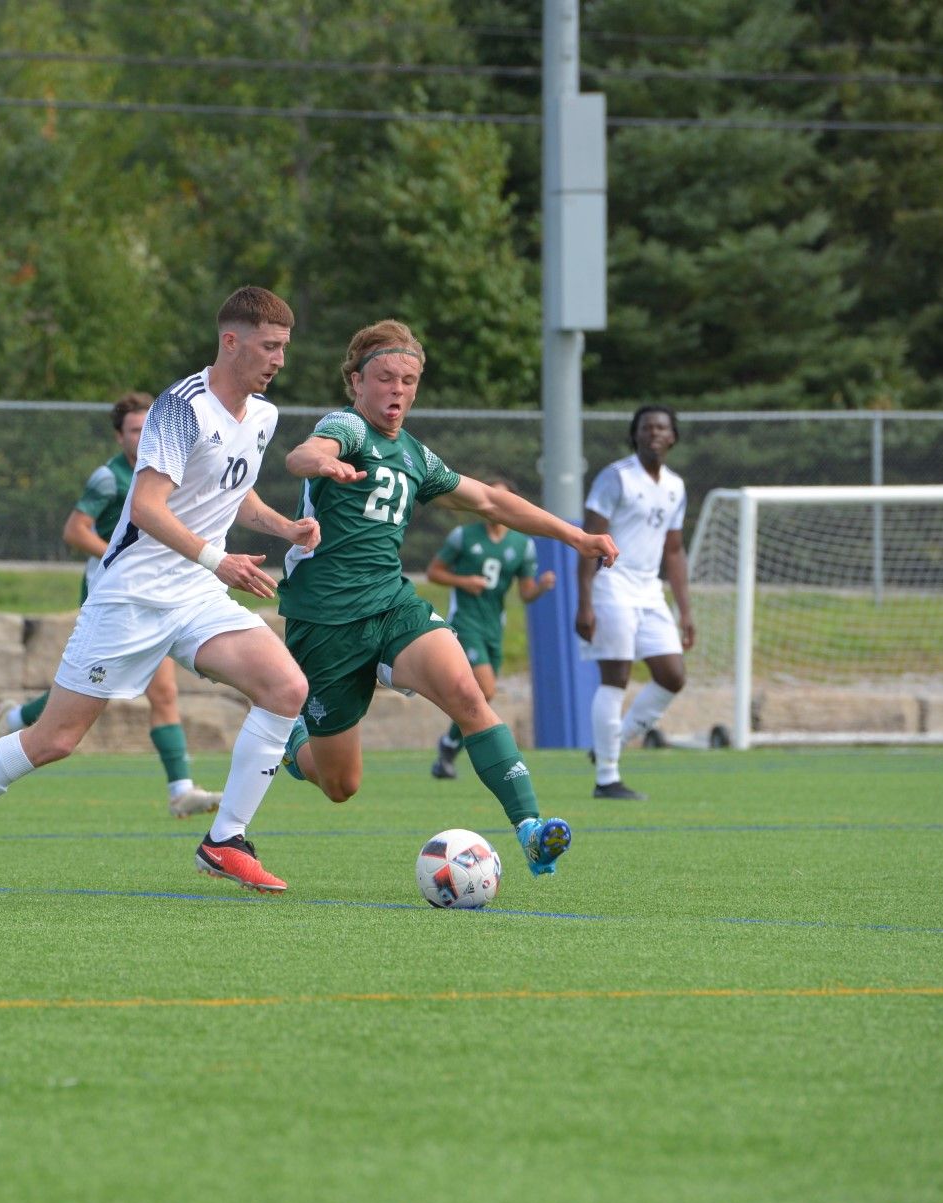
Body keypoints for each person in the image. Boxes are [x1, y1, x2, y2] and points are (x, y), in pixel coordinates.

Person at [0, 286, 318, 905]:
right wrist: (219, 560)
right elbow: (147, 508)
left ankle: (226, 839)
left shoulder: (263, 416)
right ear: (231, 342)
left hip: (195, 594)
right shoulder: (181, 408)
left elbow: (232, 491)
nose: (279, 360)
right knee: (53, 741)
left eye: (283, 348)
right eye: (270, 347)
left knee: (287, 688)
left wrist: (283, 528)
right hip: (133, 596)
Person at [277, 320, 618, 876]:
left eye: (408, 380)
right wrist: (320, 460)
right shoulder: (347, 427)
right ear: (356, 381)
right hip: (325, 622)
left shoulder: (416, 456)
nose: (397, 390)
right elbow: (303, 454)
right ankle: (295, 745)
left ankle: (531, 830)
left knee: (467, 693)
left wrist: (576, 537)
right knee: (340, 784)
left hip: (392, 606)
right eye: (385, 377)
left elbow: (491, 502)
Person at [0, 391, 222, 820]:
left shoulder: (174, 470)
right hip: (111, 595)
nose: (142, 436)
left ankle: (181, 790)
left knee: (162, 691)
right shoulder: (109, 478)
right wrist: (118, 554)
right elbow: (75, 530)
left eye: (148, 428)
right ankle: (18, 718)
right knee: (91, 690)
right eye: (133, 430)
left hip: (158, 594)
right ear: (119, 436)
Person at [577, 405, 694, 801]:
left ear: (672, 437)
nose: (654, 433)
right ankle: (606, 778)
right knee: (616, 677)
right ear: (635, 435)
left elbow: (674, 551)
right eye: (646, 428)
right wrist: (585, 602)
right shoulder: (616, 477)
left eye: (661, 428)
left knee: (672, 676)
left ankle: (610, 744)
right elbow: (589, 541)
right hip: (612, 585)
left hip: (649, 590)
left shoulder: (675, 486)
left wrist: (686, 611)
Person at [425, 477, 557, 780]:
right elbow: (433, 573)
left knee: (482, 696)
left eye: (502, 499)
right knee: (485, 689)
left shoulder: (522, 545)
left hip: (493, 627)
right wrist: (464, 581)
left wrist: (541, 587)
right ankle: (467, 751)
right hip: (465, 623)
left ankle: (448, 747)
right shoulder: (463, 536)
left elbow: (525, 593)